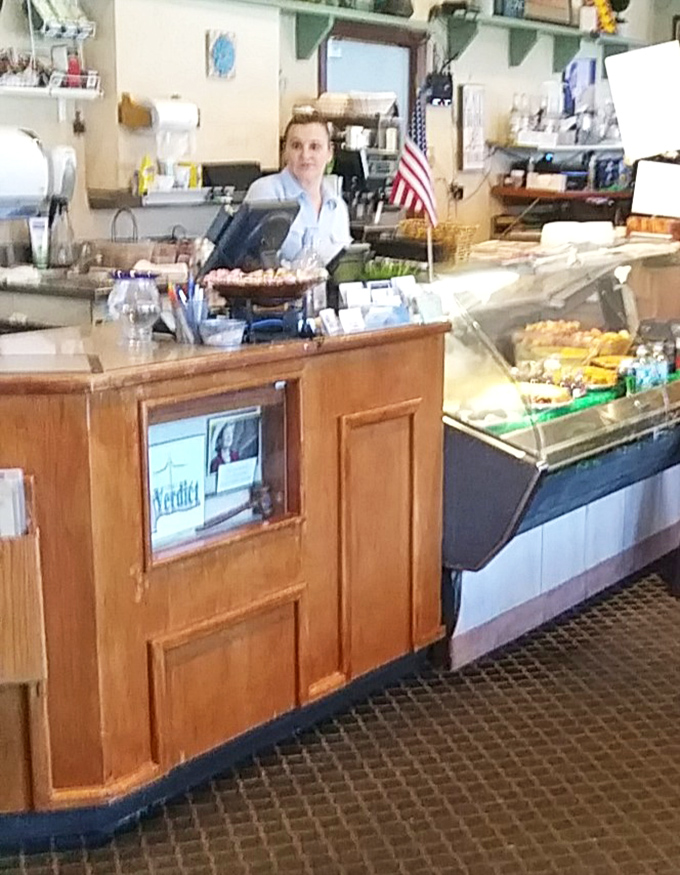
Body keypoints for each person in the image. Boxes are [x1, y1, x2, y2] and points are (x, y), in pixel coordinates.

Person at [244, 111, 352, 267]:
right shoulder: (266, 193)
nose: (305, 155)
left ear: (330, 153)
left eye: (314, 147)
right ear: (285, 152)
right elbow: (249, 265)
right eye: (296, 146)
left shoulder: (338, 207)